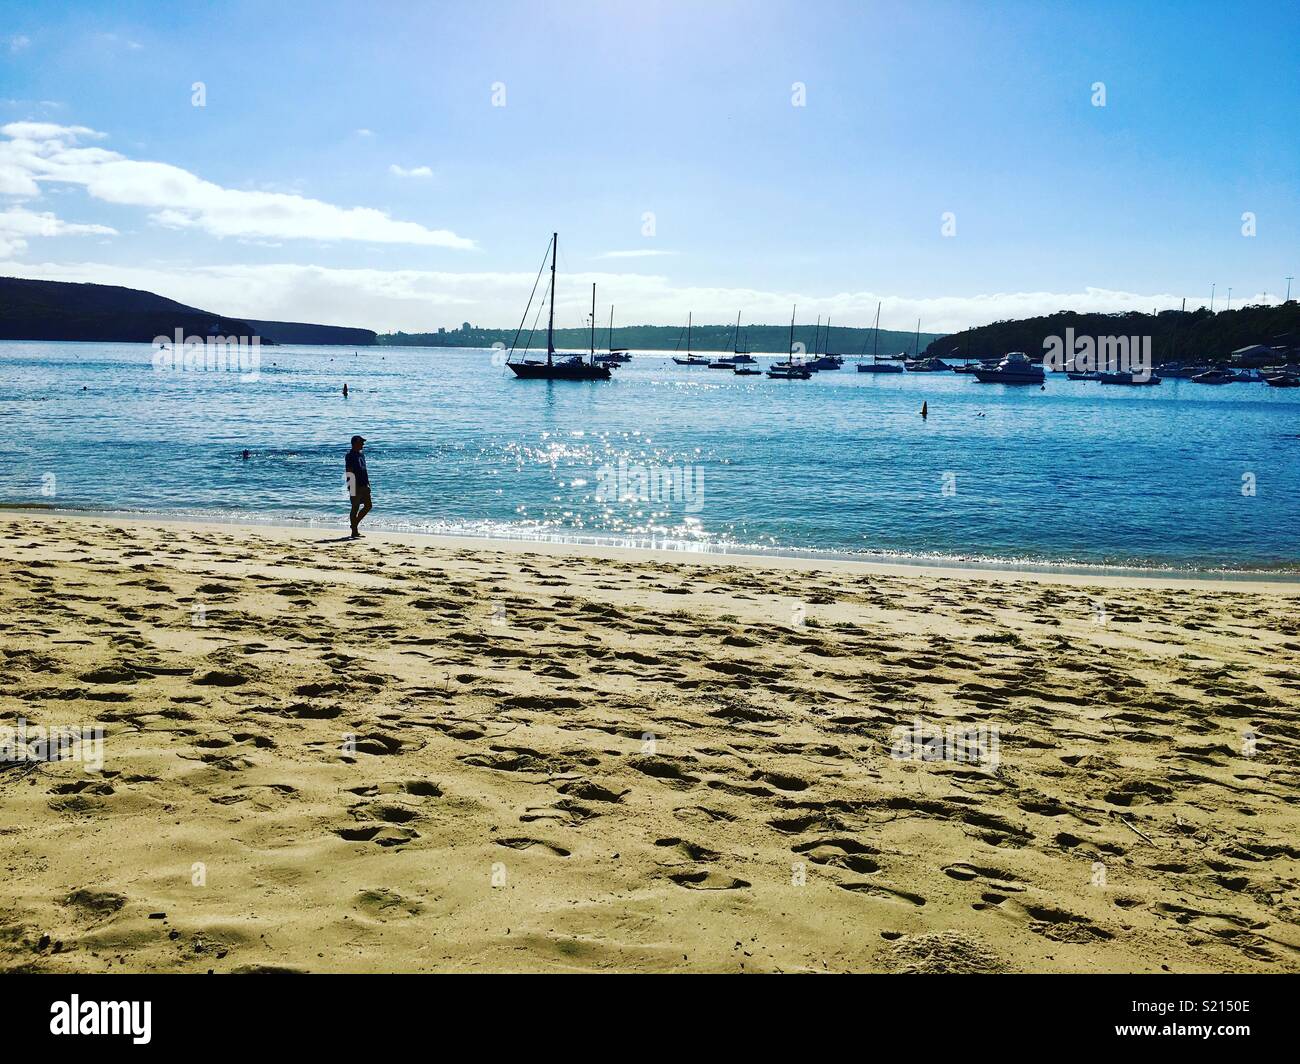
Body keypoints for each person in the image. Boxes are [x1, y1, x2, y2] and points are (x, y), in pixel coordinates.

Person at [345, 435, 372, 538]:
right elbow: (349, 471)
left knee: (368, 506)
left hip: (364, 483)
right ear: (355, 443)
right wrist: (351, 485)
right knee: (355, 507)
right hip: (354, 484)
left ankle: (354, 524)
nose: (363, 444)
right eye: (361, 442)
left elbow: (364, 469)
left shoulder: (361, 454)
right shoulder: (350, 455)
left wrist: (368, 482)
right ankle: (354, 531)